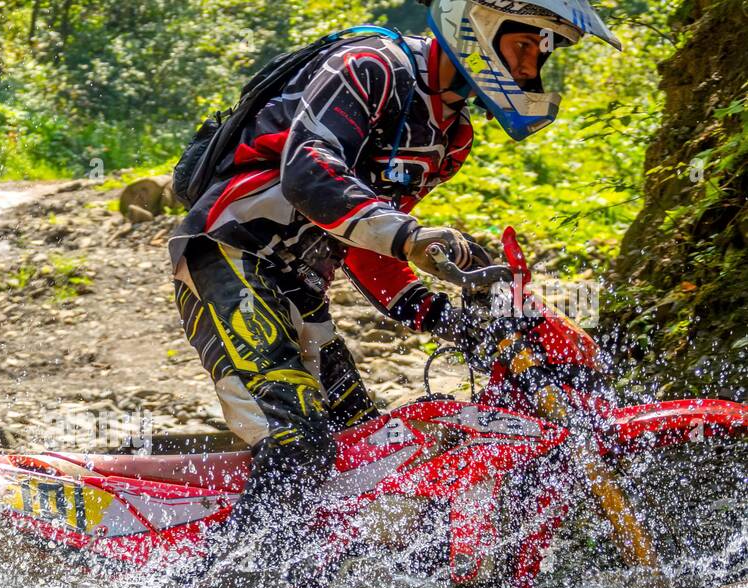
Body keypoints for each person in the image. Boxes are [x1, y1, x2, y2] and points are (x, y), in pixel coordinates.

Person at [168, 0, 622, 542]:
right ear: (477, 26)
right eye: (524, 46)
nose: (530, 70)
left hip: (301, 285)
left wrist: (455, 321)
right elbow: (310, 172)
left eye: (541, 57)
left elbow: (367, 245)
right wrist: (411, 236)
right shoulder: (371, 66)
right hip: (230, 253)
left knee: (362, 445)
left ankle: (346, 585)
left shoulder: (451, 139)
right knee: (296, 439)